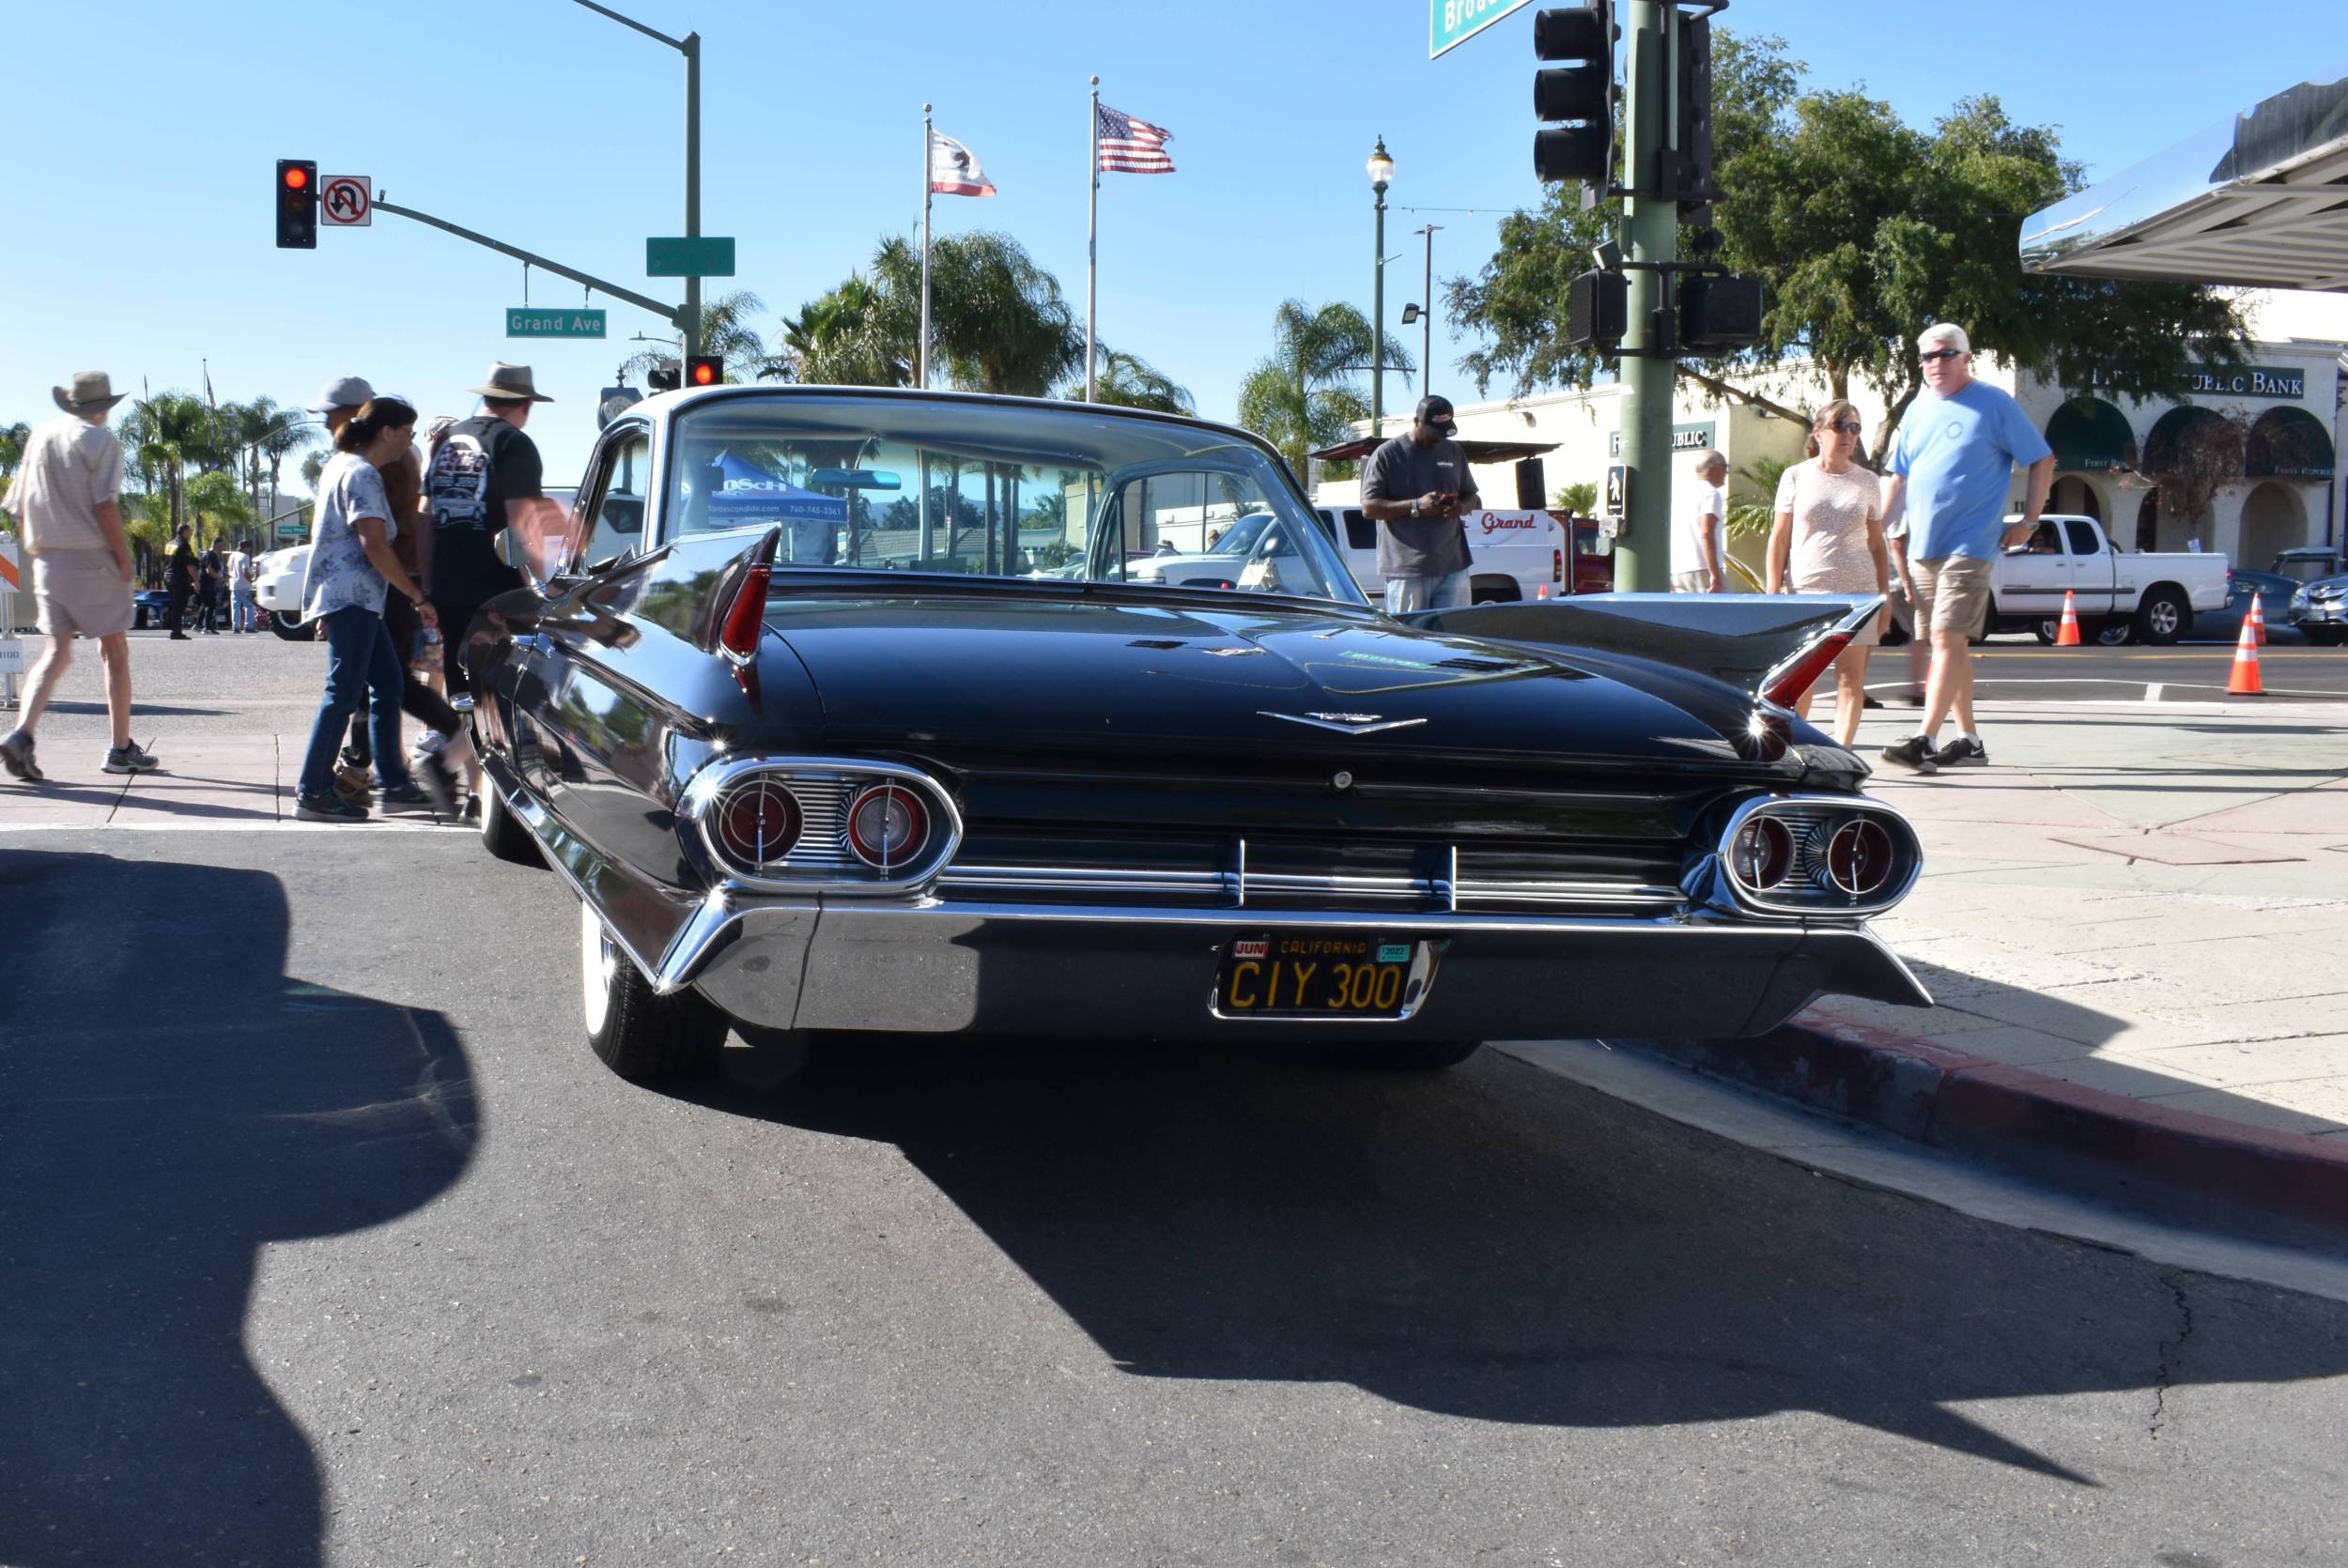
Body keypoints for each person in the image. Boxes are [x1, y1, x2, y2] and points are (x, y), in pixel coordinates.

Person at [1877, 323, 2054, 774]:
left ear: (1966, 356)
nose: (1936, 364)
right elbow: (1899, 477)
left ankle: (1924, 738)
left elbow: (2041, 458)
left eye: (1946, 354)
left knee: (1945, 638)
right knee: (1945, 645)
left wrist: (2029, 523)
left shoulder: (1993, 403)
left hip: (1970, 545)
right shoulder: (1917, 411)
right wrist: (1875, 527)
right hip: (1924, 548)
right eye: (1928, 357)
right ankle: (1969, 740)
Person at [0, 371, 158, 782]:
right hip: (93, 559)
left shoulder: (40, 439)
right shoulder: (101, 442)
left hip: (49, 560)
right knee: (115, 651)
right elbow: (105, 507)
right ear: (102, 408)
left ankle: (22, 733)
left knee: (56, 651)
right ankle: (121, 748)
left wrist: (39, 545)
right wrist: (124, 561)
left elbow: (15, 508)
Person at [291, 397, 440, 822]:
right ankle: (313, 791)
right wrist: (417, 595)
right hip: (353, 597)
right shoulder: (361, 474)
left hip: (355, 599)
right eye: (408, 432)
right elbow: (373, 544)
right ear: (387, 432)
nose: (410, 440)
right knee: (341, 693)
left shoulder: (340, 464)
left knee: (389, 684)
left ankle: (393, 783)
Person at [421, 363, 558, 812]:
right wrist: (545, 581)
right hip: (494, 589)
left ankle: (478, 797)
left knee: (465, 694)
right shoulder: (514, 444)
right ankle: (448, 760)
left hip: (445, 585)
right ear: (524, 406)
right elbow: (521, 525)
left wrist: (426, 586)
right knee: (498, 693)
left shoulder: (446, 443)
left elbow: (425, 517)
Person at [1767, 401, 1890, 747]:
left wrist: (1885, 597)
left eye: (1855, 428)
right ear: (1818, 433)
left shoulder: (1867, 481)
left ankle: (1842, 752)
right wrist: (1772, 590)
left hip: (1859, 594)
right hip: (1808, 593)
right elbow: (1779, 538)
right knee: (1803, 681)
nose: (1848, 435)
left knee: (1851, 681)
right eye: (1840, 426)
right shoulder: (1796, 475)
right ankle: (1798, 750)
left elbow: (1877, 545)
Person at [1359, 394, 1479, 612]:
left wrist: (1461, 507)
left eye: (1444, 432)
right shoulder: (1388, 454)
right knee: (1410, 642)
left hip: (1454, 566)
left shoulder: (1453, 451)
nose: (1439, 438)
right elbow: (1368, 508)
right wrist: (1416, 506)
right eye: (1434, 431)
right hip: (1407, 571)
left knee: (1454, 640)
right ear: (1416, 422)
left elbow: (1472, 495)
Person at [1671, 450, 1730, 593]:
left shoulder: (1682, 493)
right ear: (1714, 467)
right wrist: (1715, 575)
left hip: (1679, 570)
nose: (1726, 473)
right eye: (1725, 467)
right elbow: (1706, 534)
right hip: (1703, 570)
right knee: (1722, 614)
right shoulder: (1710, 493)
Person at [162, 523, 198, 638]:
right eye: (190, 531)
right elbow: (189, 565)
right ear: (184, 532)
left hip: (168, 577)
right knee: (179, 606)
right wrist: (196, 580)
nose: (191, 534)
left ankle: (175, 630)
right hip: (179, 578)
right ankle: (176, 632)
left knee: (174, 605)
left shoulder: (170, 544)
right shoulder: (183, 544)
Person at [227, 537, 258, 632]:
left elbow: (228, 567)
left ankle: (235, 627)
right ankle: (249, 626)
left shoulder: (232, 555)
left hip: (233, 583)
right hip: (243, 584)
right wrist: (251, 580)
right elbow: (245, 571)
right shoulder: (245, 557)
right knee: (249, 605)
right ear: (247, 548)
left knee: (235, 607)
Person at [196, 540, 225, 634]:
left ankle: (198, 624)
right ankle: (208, 627)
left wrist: (224, 575)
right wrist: (220, 578)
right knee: (211, 604)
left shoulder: (212, 555)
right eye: (221, 546)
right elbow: (209, 570)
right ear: (216, 546)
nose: (222, 549)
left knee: (205, 604)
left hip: (207, 583)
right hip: (206, 584)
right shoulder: (211, 555)